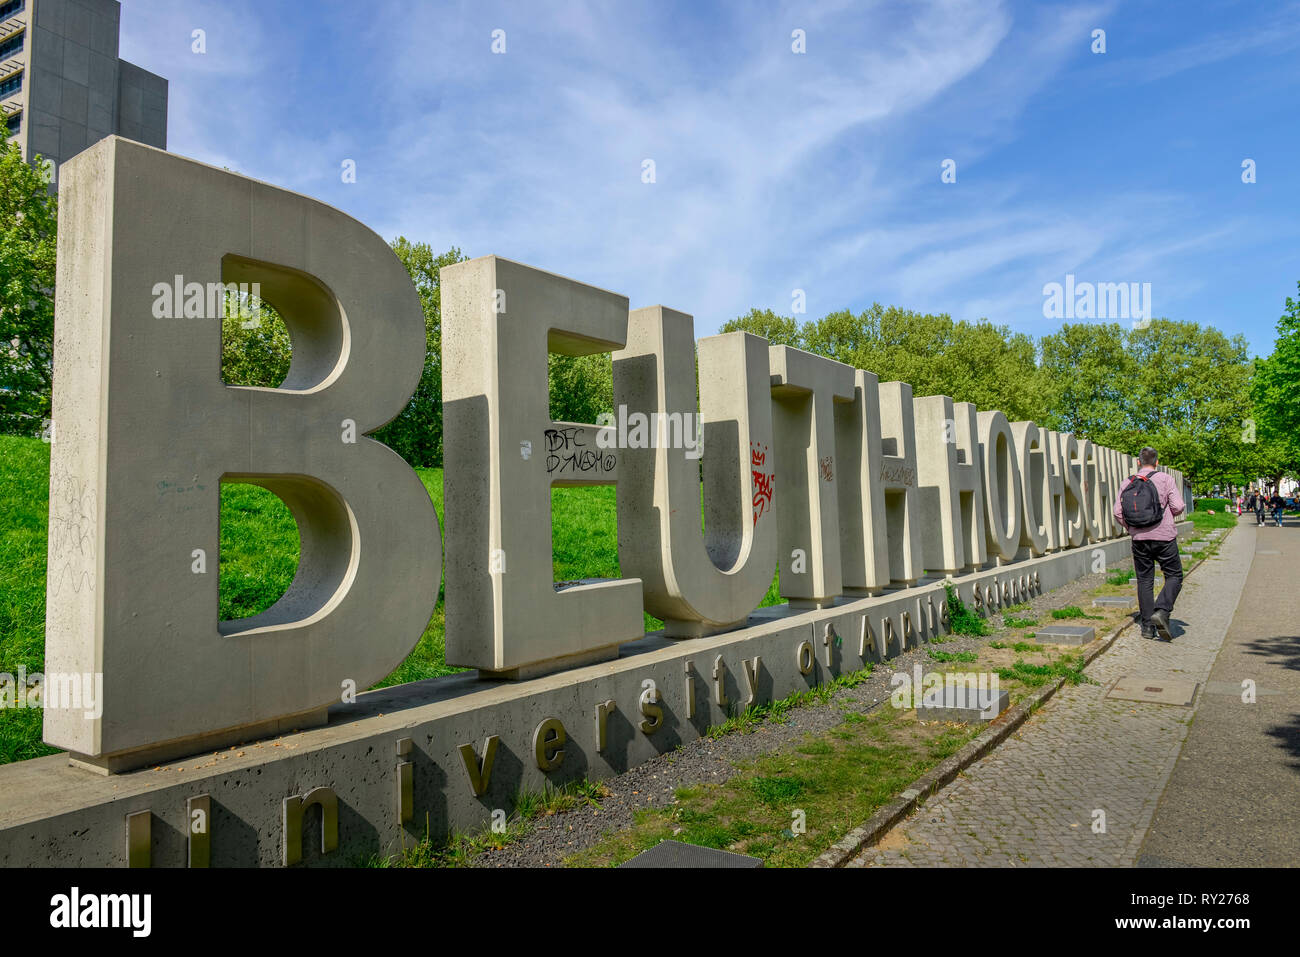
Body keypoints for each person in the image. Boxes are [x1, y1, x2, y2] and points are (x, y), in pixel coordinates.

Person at [1114, 448, 1186, 641]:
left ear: (1138, 462)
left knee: (1144, 581)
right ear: (1157, 461)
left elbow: (1117, 512)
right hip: (1164, 538)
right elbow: (1178, 507)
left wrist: (1133, 528)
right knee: (1174, 575)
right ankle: (1162, 610)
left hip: (1139, 540)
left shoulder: (1127, 482)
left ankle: (1147, 628)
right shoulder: (1165, 478)